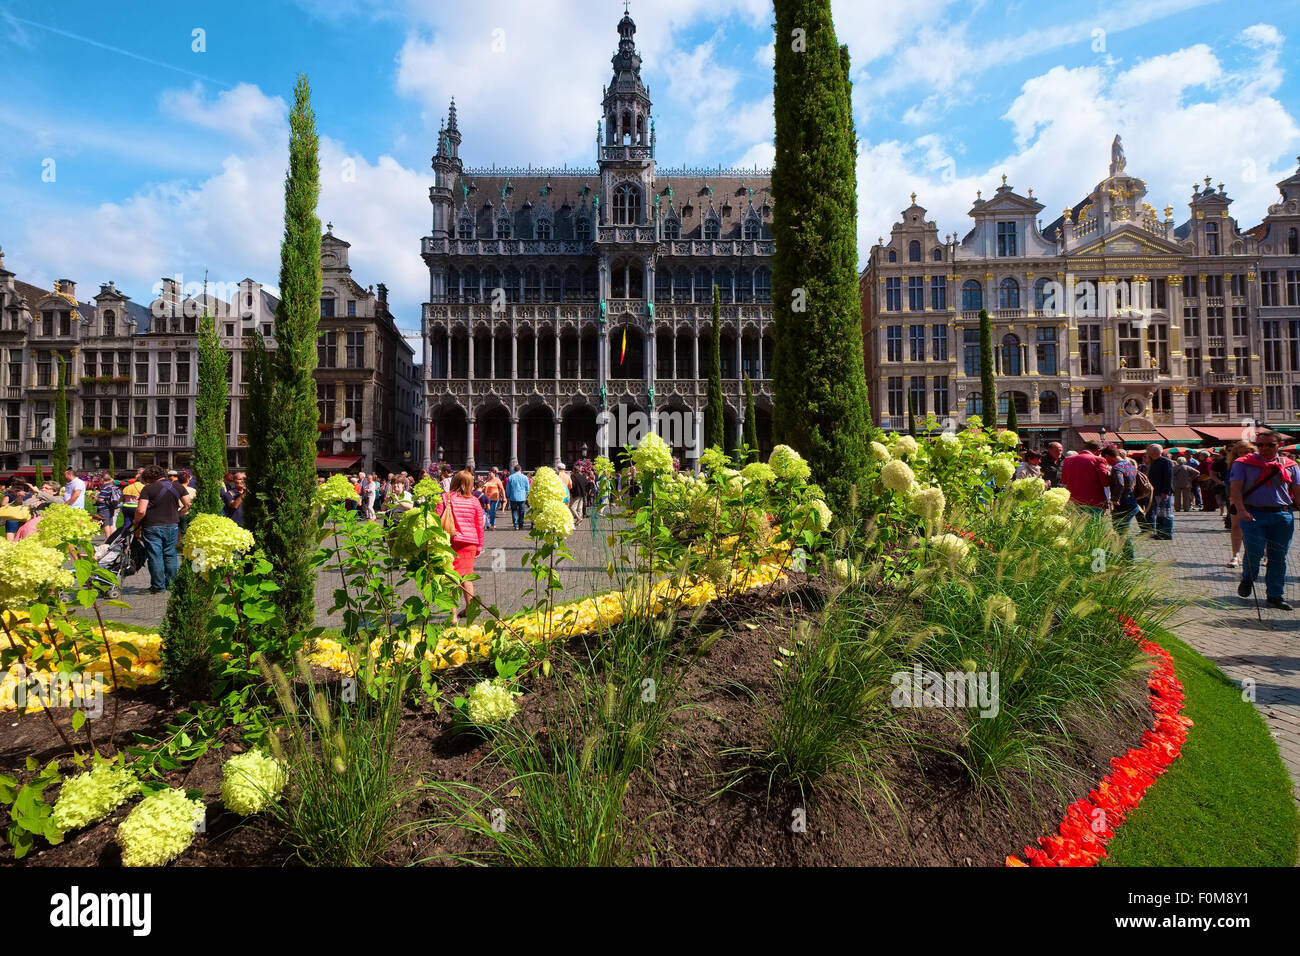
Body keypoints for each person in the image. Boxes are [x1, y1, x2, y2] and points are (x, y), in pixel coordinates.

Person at [1230, 430, 1300, 610]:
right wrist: (1241, 510)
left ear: (1279, 446)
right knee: (1254, 553)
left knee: (1278, 557)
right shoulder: (1242, 463)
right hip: (1253, 514)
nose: (1264, 448)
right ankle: (1248, 577)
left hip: (1282, 515)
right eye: (1260, 445)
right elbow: (1236, 490)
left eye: (1270, 445)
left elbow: (1298, 493)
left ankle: (1275, 596)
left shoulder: (1291, 465)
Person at [436, 469, 485, 625]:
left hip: (451, 542)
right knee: (466, 577)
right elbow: (480, 526)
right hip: (470, 542)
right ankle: (470, 609)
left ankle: (453, 615)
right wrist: (479, 546)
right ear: (470, 484)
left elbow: (437, 520)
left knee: (449, 578)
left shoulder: (445, 498)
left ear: (455, 481)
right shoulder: (475, 501)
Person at [133, 464, 186, 593]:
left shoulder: (148, 489)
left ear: (148, 477)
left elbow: (141, 511)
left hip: (152, 525)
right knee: (170, 555)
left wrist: (136, 523)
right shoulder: (177, 486)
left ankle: (158, 586)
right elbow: (188, 504)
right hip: (172, 525)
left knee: (155, 556)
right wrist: (177, 514)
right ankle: (171, 584)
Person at [1101, 445, 1139, 556]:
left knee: (1121, 532)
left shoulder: (1117, 468)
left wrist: (1114, 499)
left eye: (1105, 460)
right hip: (1132, 502)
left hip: (1123, 504)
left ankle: (1128, 559)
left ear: (1108, 456)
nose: (1106, 463)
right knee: (1122, 531)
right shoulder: (1130, 465)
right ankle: (1123, 556)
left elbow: (1120, 484)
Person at [1060, 440, 1111, 513]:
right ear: (1098, 451)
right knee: (1094, 523)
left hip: (1074, 501)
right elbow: (1106, 482)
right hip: (1094, 502)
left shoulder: (1068, 460)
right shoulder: (1098, 460)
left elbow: (1064, 480)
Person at [1144, 444, 1175, 540]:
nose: (1147, 452)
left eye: (1148, 450)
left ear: (1152, 452)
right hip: (1156, 492)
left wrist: (1166, 491)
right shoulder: (1154, 462)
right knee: (1159, 513)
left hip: (1162, 492)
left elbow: (1168, 477)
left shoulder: (1165, 462)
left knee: (1165, 513)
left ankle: (1166, 533)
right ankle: (1160, 532)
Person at [506, 463, 530, 530]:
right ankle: (521, 524)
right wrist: (526, 496)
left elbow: (508, 488)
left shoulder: (510, 477)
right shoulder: (525, 477)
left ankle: (515, 524)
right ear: (520, 469)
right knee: (521, 511)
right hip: (522, 497)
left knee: (514, 511)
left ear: (514, 470)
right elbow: (527, 488)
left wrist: (508, 495)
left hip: (513, 496)